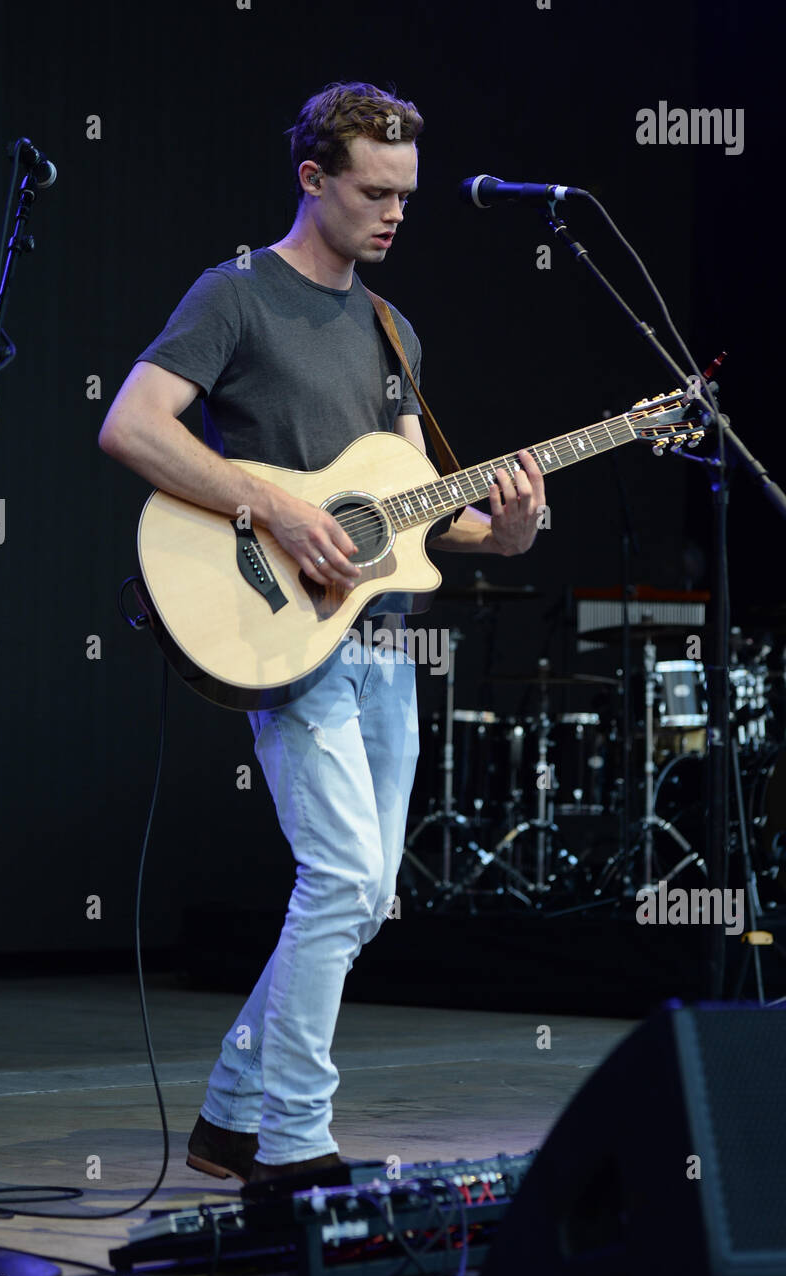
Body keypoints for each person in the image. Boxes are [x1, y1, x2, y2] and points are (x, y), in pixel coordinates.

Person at [98, 80, 546, 1186]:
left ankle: (225, 1118)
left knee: (362, 896)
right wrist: (275, 507)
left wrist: (505, 533)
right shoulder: (236, 293)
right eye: (372, 191)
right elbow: (129, 425)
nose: (395, 213)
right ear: (312, 179)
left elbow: (416, 513)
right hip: (281, 631)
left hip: (382, 642)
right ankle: (293, 1142)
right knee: (343, 880)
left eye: (406, 194)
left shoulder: (393, 329)